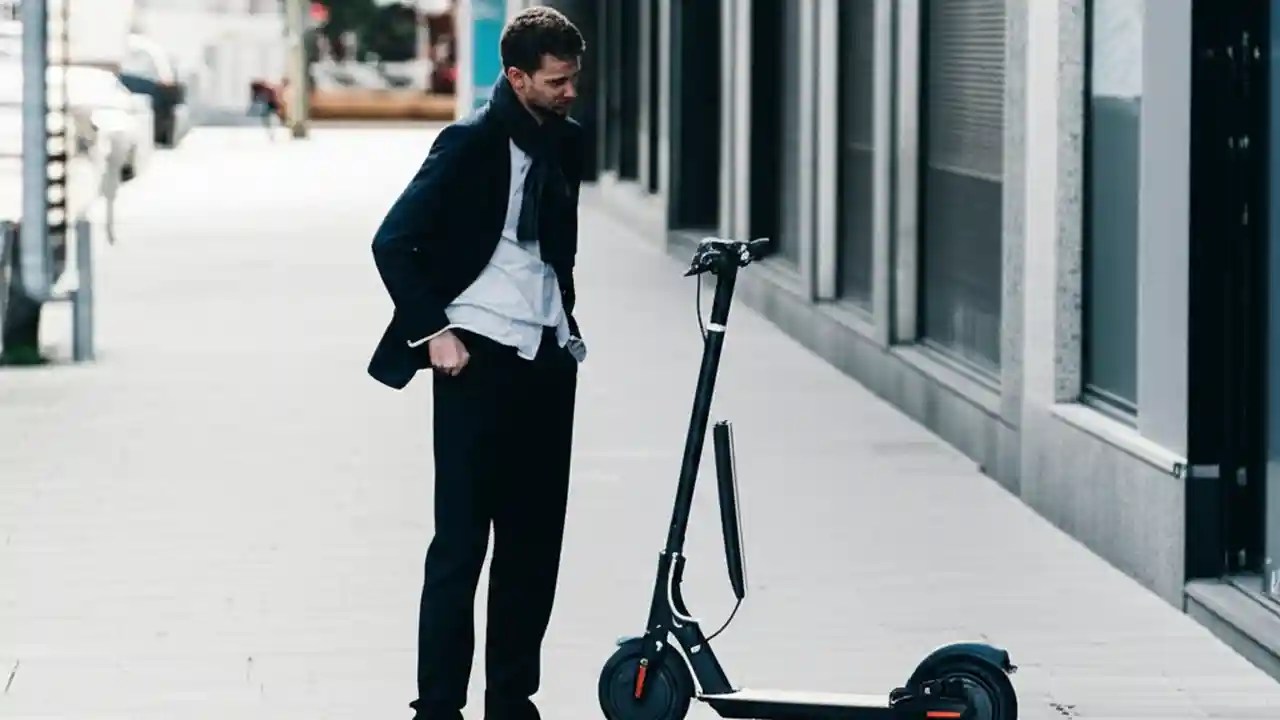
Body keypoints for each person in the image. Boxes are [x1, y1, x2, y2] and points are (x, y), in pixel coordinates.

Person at [366, 7, 587, 720]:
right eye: (556, 82)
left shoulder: (566, 144)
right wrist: (434, 332)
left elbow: (558, 250)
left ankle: (511, 701)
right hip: (476, 361)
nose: (569, 92)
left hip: (546, 361)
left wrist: (564, 326)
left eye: (573, 79)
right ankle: (437, 707)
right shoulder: (469, 143)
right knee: (462, 545)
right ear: (516, 77)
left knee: (534, 547)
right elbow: (392, 241)